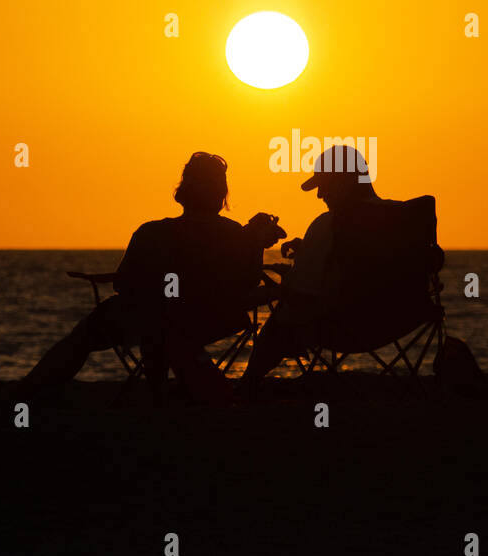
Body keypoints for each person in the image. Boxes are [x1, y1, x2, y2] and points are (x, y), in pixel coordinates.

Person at [15, 152, 285, 403]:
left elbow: (122, 284)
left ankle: (28, 392)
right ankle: (169, 391)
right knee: (167, 327)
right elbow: (246, 283)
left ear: (183, 191)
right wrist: (256, 245)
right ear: (221, 194)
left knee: (88, 336)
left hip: (145, 318)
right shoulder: (234, 235)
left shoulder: (151, 233)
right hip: (211, 319)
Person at [238, 144, 401, 393]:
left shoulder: (331, 224)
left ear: (342, 182)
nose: (320, 195)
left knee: (281, 318)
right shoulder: (399, 217)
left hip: (340, 326)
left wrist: (286, 279)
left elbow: (304, 289)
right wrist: (313, 252)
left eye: (324, 185)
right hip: (396, 320)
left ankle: (247, 385)